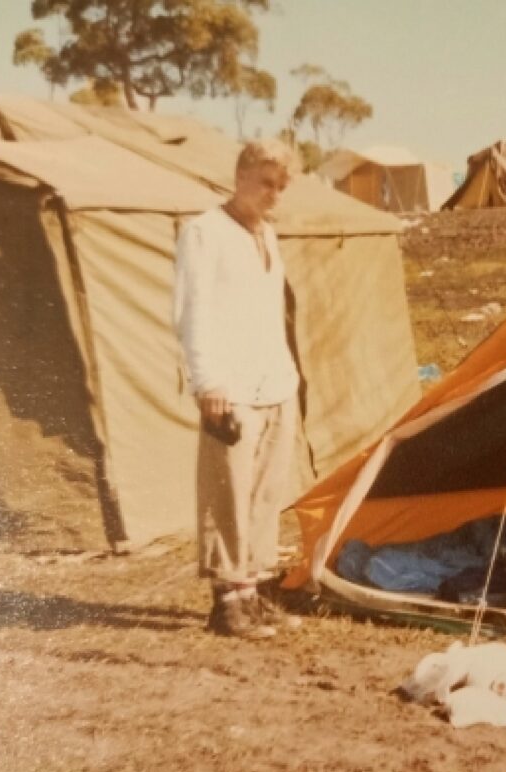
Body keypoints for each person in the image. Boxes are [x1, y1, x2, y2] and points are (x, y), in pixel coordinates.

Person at [175, 138, 303, 642]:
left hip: (274, 381)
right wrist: (208, 380)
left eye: (281, 186)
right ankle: (226, 600)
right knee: (226, 492)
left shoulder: (267, 234)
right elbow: (193, 311)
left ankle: (251, 591)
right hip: (230, 387)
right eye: (265, 183)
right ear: (240, 176)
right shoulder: (204, 233)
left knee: (264, 492)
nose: (273, 194)